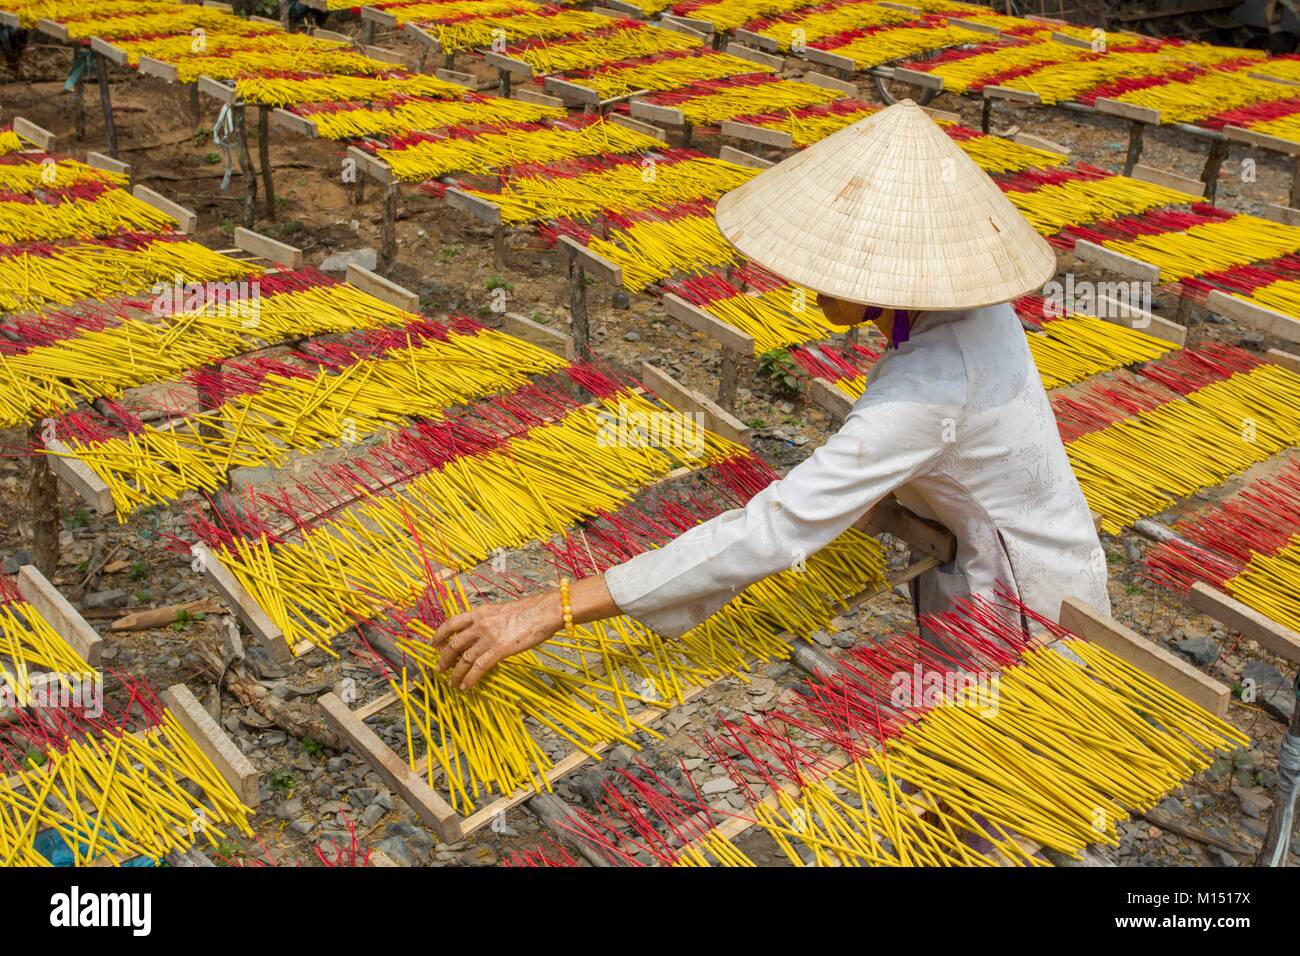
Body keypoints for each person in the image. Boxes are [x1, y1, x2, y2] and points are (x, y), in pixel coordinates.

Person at [432, 100, 1110, 690]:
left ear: (891, 272)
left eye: (834, 265)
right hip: (988, 558)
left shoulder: (931, 386)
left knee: (994, 805)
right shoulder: (961, 313)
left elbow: (772, 528)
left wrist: (555, 607)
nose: (812, 284)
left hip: (1024, 609)